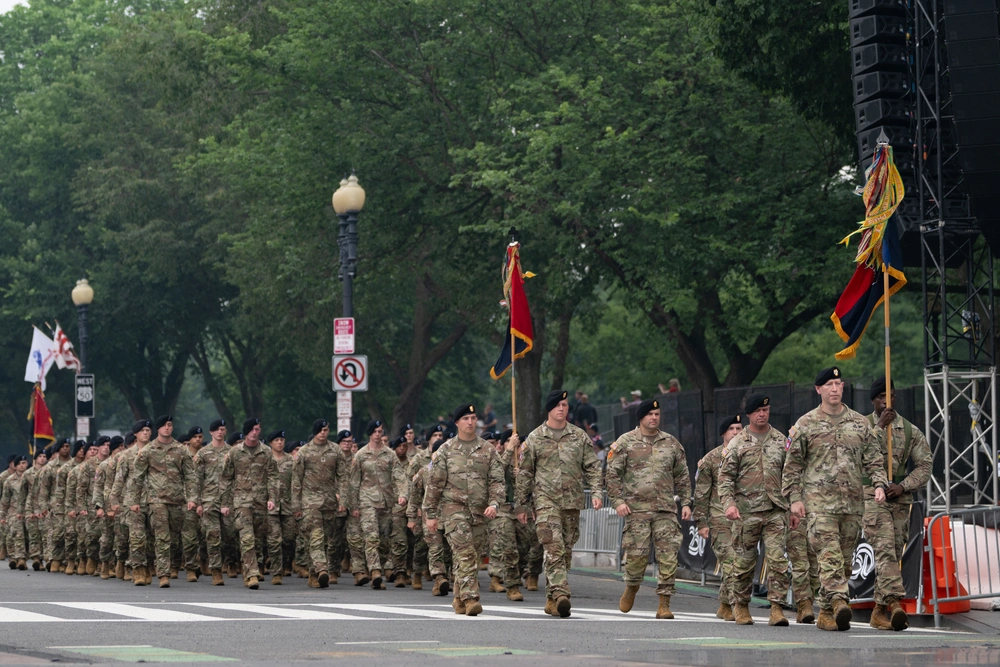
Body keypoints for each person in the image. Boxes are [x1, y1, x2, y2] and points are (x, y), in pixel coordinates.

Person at [783, 366, 888, 632]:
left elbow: (874, 458)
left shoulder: (859, 423)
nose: (834, 388)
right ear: (818, 389)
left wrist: (879, 484)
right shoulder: (804, 425)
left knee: (843, 562)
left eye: (838, 383)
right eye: (829, 384)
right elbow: (792, 466)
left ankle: (827, 613)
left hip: (852, 505)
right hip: (819, 506)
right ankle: (841, 600)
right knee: (828, 556)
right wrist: (795, 499)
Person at [515, 389, 603, 618]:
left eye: (565, 405)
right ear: (549, 409)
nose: (562, 409)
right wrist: (521, 505)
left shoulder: (579, 436)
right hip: (545, 502)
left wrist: (596, 492)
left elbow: (592, 467)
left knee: (564, 553)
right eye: (558, 405)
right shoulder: (535, 438)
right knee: (553, 548)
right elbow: (524, 473)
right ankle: (562, 594)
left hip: (572, 503)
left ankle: (551, 598)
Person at [607, 398, 692, 620]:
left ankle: (664, 603)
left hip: (665, 509)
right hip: (636, 511)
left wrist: (686, 502)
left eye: (657, 414)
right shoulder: (625, 442)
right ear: (641, 417)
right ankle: (632, 587)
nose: (654, 418)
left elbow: (682, 475)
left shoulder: (671, 443)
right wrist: (618, 502)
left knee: (668, 556)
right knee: (637, 556)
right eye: (649, 414)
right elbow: (612, 475)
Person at [718, 394, 795, 626]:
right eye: (758, 411)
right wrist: (728, 504)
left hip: (775, 510)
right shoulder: (737, 443)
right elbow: (725, 478)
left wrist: (792, 507)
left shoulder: (781, 440)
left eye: (767, 409)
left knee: (777, 561)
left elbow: (791, 476)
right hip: (746, 512)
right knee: (743, 563)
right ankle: (740, 606)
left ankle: (777, 608)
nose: (763, 414)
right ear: (749, 414)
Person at [423, 404, 505, 616]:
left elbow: (497, 481)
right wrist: (430, 515)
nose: (470, 422)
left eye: (473, 418)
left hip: (480, 513)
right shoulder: (446, 450)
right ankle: (471, 599)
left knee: (471, 559)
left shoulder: (488, 450)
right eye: (466, 418)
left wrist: (494, 503)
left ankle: (459, 597)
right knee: (465, 554)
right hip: (453, 511)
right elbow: (434, 484)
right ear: (457, 422)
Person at [864, 378, 933, 632]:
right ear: (873, 400)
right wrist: (880, 427)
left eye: (890, 396)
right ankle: (894, 603)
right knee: (883, 547)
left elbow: (925, 464)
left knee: (892, 552)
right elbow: (856, 453)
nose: (886, 401)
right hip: (871, 497)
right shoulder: (863, 426)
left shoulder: (909, 430)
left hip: (900, 500)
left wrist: (904, 485)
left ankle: (878, 612)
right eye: (881, 396)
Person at [127, 415, 197, 588]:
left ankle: (153, 565)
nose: (167, 428)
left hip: (177, 500)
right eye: (164, 425)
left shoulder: (181, 450)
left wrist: (193, 498)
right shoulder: (149, 450)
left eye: (170, 425)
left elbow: (190, 476)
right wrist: (134, 500)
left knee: (171, 538)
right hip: (156, 500)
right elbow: (137, 477)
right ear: (158, 429)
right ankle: (163, 574)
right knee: (162, 536)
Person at [693, 413, 744, 621]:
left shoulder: (750, 454)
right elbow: (701, 493)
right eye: (732, 429)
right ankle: (736, 606)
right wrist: (701, 522)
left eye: (740, 428)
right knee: (731, 562)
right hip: (719, 518)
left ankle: (724, 604)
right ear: (723, 433)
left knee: (740, 562)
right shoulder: (711, 459)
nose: (736, 432)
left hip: (743, 520)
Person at [347, 419, 406, 589]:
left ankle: (378, 566)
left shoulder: (390, 454)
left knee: (385, 540)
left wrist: (403, 494)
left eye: (381, 431)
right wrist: (354, 506)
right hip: (367, 502)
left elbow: (399, 476)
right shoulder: (360, 455)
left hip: (386, 503)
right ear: (370, 434)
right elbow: (354, 483)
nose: (379, 435)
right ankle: (375, 571)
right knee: (371, 538)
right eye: (376, 432)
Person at [220, 418, 279, 590]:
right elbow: (226, 478)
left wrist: (272, 498)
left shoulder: (266, 452)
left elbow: (273, 477)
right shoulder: (235, 452)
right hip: (242, 502)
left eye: (258, 429)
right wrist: (225, 502)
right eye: (252, 429)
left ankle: (252, 568)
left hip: (261, 502)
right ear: (246, 431)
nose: (255, 432)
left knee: (259, 540)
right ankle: (252, 573)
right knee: (247, 539)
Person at [291, 420, 347, 589]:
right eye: (321, 430)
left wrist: (343, 501)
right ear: (315, 431)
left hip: (329, 502)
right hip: (310, 503)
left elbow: (343, 477)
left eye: (326, 430)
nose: (324, 433)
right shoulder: (304, 452)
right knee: (315, 537)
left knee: (322, 541)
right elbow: (296, 480)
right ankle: (323, 569)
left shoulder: (335, 450)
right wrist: (296, 506)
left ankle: (313, 575)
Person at [194, 419, 236, 585]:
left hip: (229, 500)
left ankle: (231, 563)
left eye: (223, 429)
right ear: (211, 432)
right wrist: (197, 502)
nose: (220, 432)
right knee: (213, 536)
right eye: (217, 429)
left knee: (230, 535)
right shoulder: (203, 454)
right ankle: (216, 571)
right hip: (209, 500)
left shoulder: (232, 452)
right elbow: (196, 479)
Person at [486, 429, 523, 601]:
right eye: (509, 441)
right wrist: (510, 451)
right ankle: (511, 585)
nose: (513, 444)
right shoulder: (497, 458)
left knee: (523, 548)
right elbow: (498, 470)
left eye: (515, 441)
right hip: (502, 510)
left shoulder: (522, 461)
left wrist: (520, 476)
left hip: (520, 511)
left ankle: (520, 577)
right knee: (507, 549)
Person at [266, 429, 296, 585]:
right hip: (271, 506)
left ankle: (286, 564)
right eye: (276, 440)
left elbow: (297, 482)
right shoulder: (265, 459)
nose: (280, 442)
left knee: (289, 539)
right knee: (274, 539)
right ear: (270, 442)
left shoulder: (291, 461)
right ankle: (276, 572)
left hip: (288, 505)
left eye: (282, 440)